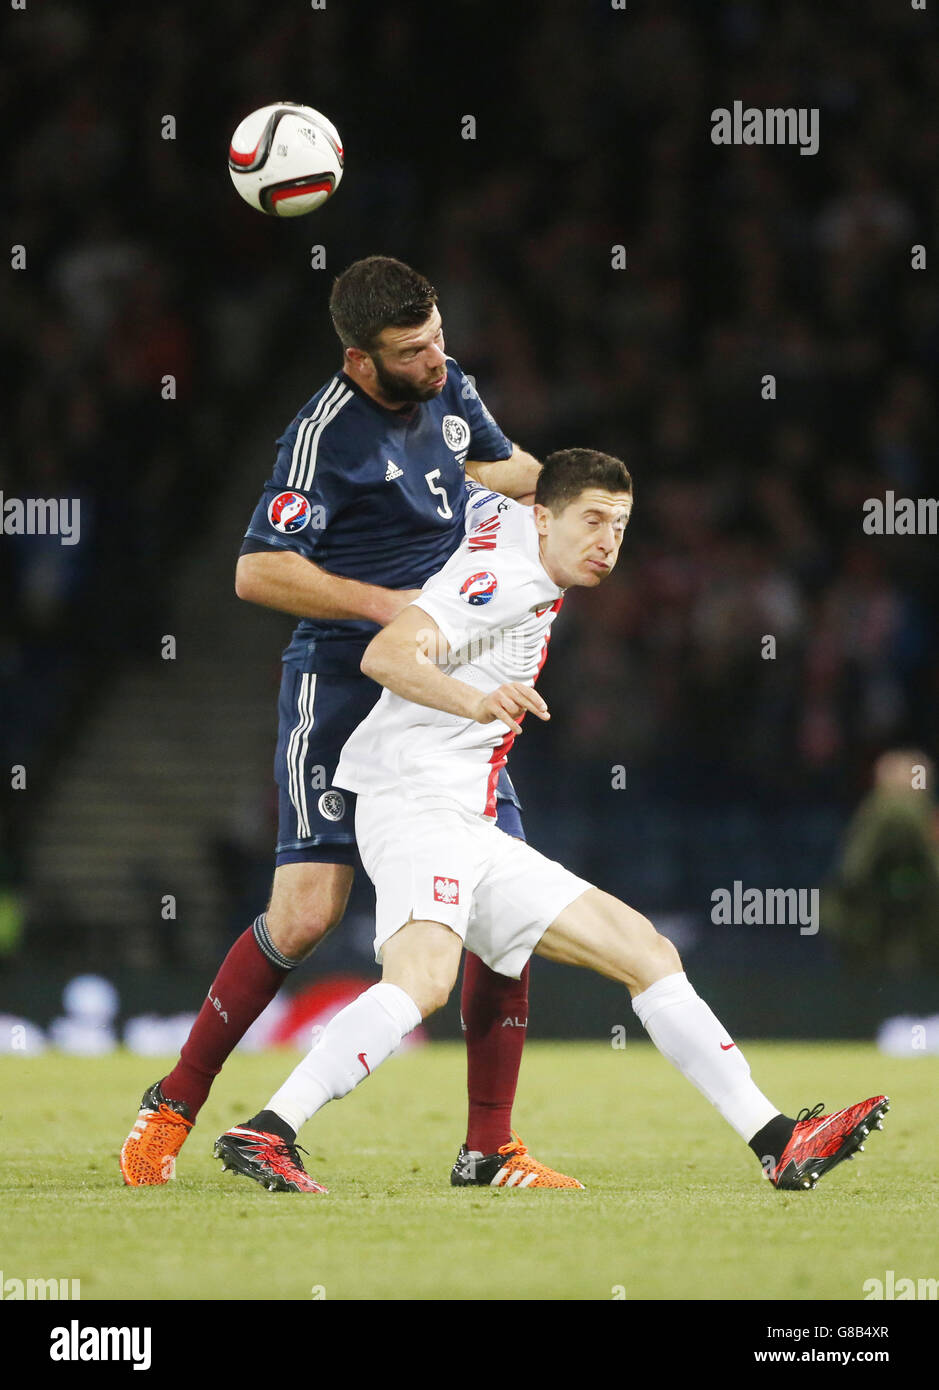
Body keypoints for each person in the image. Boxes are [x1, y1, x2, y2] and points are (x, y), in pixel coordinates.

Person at [214, 448, 889, 1194]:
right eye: (592, 521)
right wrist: (474, 699)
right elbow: (386, 653)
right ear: (542, 517)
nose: (607, 541)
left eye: (621, 526)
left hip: (466, 815)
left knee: (646, 951)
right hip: (413, 801)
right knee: (424, 980)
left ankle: (778, 1141)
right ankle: (268, 1130)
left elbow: (474, 476)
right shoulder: (498, 581)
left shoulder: (515, 527)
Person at [120, 256, 582, 1190]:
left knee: (503, 910)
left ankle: (488, 1149)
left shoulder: (449, 385)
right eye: (413, 351)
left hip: (447, 686)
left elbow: (504, 467)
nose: (437, 358)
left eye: (438, 337)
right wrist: (392, 608)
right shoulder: (320, 436)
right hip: (339, 683)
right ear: (359, 361)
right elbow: (256, 571)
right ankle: (171, 1107)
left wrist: (583, 495)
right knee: (305, 915)